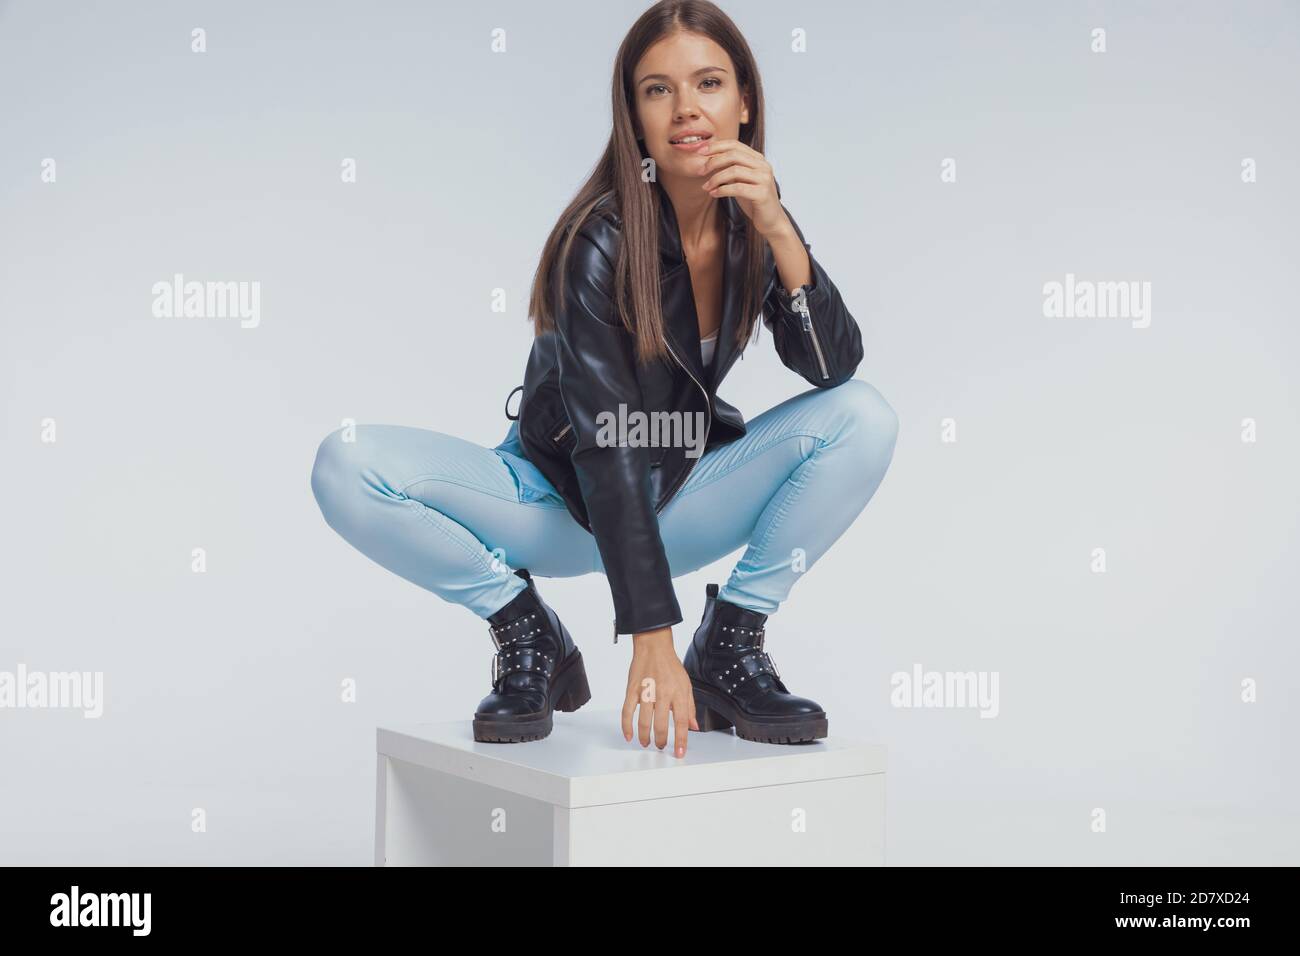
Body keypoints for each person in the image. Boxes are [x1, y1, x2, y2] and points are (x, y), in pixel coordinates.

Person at [310, 0, 898, 758]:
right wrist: (650, 637)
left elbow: (831, 367)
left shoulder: (751, 223)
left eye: (709, 83)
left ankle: (733, 638)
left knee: (864, 416)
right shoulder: (598, 240)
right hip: (553, 505)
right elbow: (605, 441)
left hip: (674, 501)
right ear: (635, 115)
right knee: (347, 464)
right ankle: (526, 629)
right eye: (658, 90)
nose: (687, 109)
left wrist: (779, 226)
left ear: (745, 101)